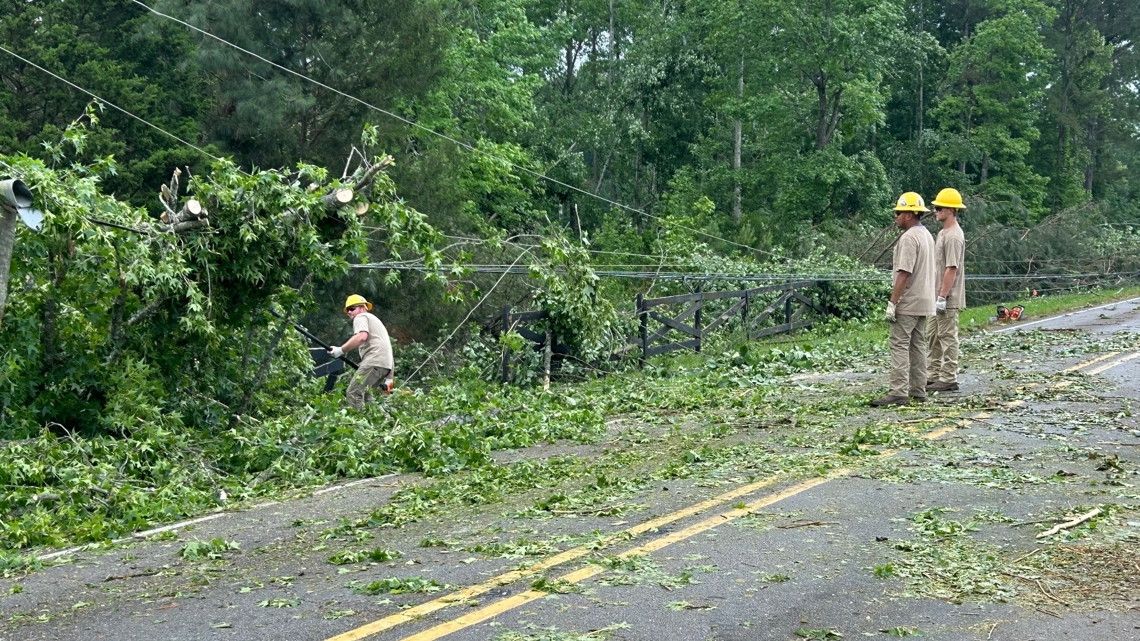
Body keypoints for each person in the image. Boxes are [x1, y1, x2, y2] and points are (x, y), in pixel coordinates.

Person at [871, 192, 937, 407]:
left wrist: (893, 302)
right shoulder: (927, 235)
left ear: (909, 214)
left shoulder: (909, 238)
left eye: (899, 212)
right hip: (924, 300)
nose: (896, 216)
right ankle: (918, 390)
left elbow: (904, 273)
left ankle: (898, 391)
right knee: (918, 345)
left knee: (899, 345)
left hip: (908, 301)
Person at [927, 188, 966, 392]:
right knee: (932, 335)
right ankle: (933, 375)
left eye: (939, 207)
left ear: (950, 210)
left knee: (947, 336)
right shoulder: (943, 233)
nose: (935, 210)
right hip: (935, 295)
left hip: (947, 297)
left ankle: (948, 377)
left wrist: (943, 296)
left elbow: (952, 268)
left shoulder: (953, 236)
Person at [327, 294, 394, 409]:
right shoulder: (376, 321)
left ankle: (359, 425)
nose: (349, 312)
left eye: (352, 308)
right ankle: (384, 424)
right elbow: (389, 352)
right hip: (384, 365)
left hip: (374, 361)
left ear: (363, 308)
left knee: (354, 392)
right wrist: (389, 379)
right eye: (347, 310)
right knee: (367, 396)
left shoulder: (361, 317)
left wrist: (340, 350)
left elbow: (361, 336)